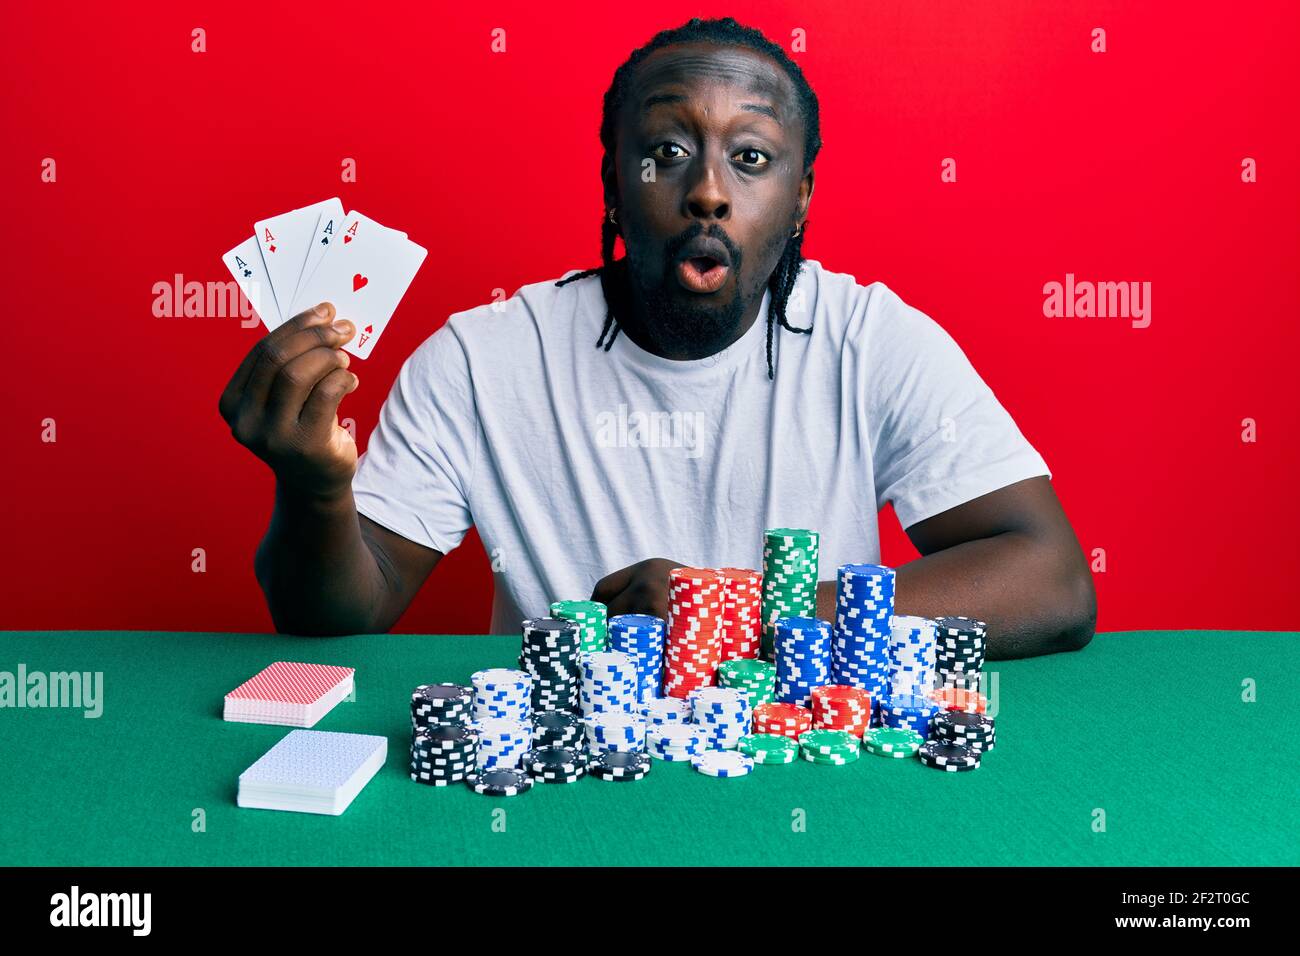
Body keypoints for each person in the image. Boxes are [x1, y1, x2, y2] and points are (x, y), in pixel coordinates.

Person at [219, 17, 1095, 660]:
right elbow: (336, 619)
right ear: (613, 184)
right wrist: (312, 493)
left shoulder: (875, 342)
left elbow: (1052, 580)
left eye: (750, 157)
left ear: (800, 200)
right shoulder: (480, 360)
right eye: (667, 151)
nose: (709, 191)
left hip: (803, 772)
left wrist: (739, 612)